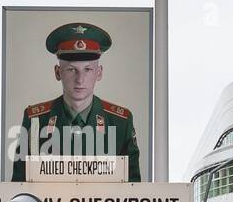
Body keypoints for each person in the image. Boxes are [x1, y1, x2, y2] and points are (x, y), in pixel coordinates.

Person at [12, 22, 141, 181]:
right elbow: (19, 187)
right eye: (71, 69)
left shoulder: (121, 122)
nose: (80, 79)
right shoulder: (35, 120)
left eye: (87, 69)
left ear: (99, 73)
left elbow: (134, 192)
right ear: (58, 72)